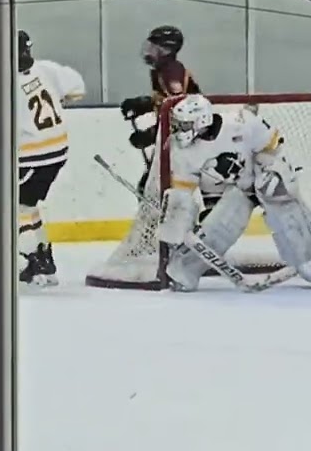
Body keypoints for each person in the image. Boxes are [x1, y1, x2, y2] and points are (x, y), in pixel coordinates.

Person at [159, 94, 311, 290]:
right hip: (236, 190)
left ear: (202, 120)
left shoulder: (241, 122)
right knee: (218, 226)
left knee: (276, 190)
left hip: (259, 175)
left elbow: (272, 147)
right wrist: (179, 221)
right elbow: (183, 191)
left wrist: (264, 170)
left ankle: (307, 258)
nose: (179, 130)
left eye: (185, 125)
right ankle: (183, 271)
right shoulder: (183, 152)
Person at [15, 30, 86, 286]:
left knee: (14, 210)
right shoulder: (47, 69)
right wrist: (59, 98)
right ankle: (43, 258)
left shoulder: (4, 81)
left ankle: (32, 259)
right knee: (28, 205)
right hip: (57, 151)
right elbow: (78, 89)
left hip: (31, 155)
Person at [118, 25, 202, 193]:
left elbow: (181, 110)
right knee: (151, 185)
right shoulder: (164, 70)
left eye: (154, 46)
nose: (149, 50)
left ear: (166, 49)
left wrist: (152, 134)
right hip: (176, 139)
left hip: (184, 142)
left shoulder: (171, 71)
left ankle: (166, 218)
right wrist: (144, 104)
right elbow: (165, 101)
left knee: (153, 187)